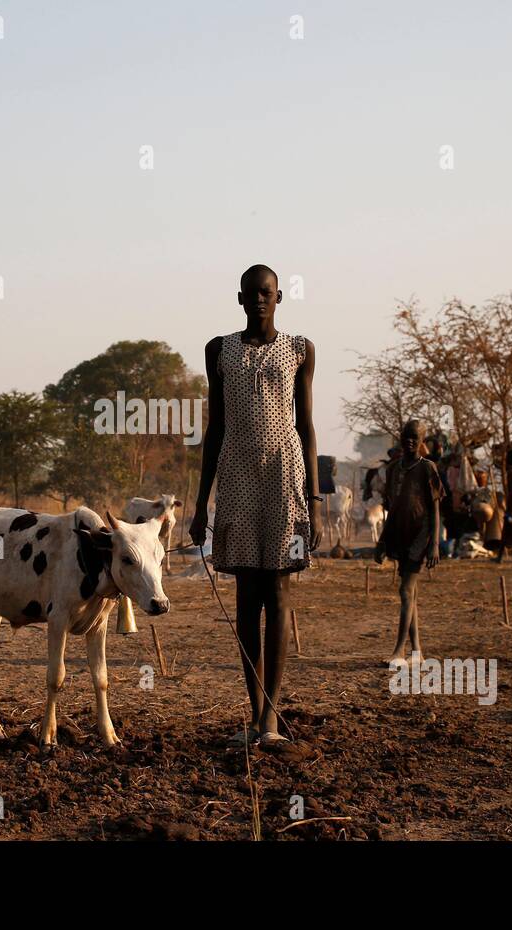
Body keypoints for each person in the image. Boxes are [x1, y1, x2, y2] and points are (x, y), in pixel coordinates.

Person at [190, 264, 320, 749]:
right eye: (251, 294)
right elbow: (215, 428)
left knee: (278, 593)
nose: (259, 300)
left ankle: (271, 715)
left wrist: (315, 501)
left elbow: (307, 427)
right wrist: (201, 504)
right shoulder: (218, 351)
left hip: (285, 478)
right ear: (240, 299)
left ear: (280, 297)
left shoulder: (299, 350)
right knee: (247, 599)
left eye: (267, 293)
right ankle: (255, 711)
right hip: (238, 476)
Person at [375, 420, 442, 667]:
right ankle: (417, 653)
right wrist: (382, 541)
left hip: (420, 537)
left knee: (405, 591)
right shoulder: (393, 470)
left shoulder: (428, 469)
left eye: (415, 437)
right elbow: (391, 508)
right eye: (406, 436)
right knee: (410, 595)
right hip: (399, 534)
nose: (410, 441)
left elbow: (435, 508)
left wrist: (434, 543)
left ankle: (399, 651)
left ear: (422, 440)